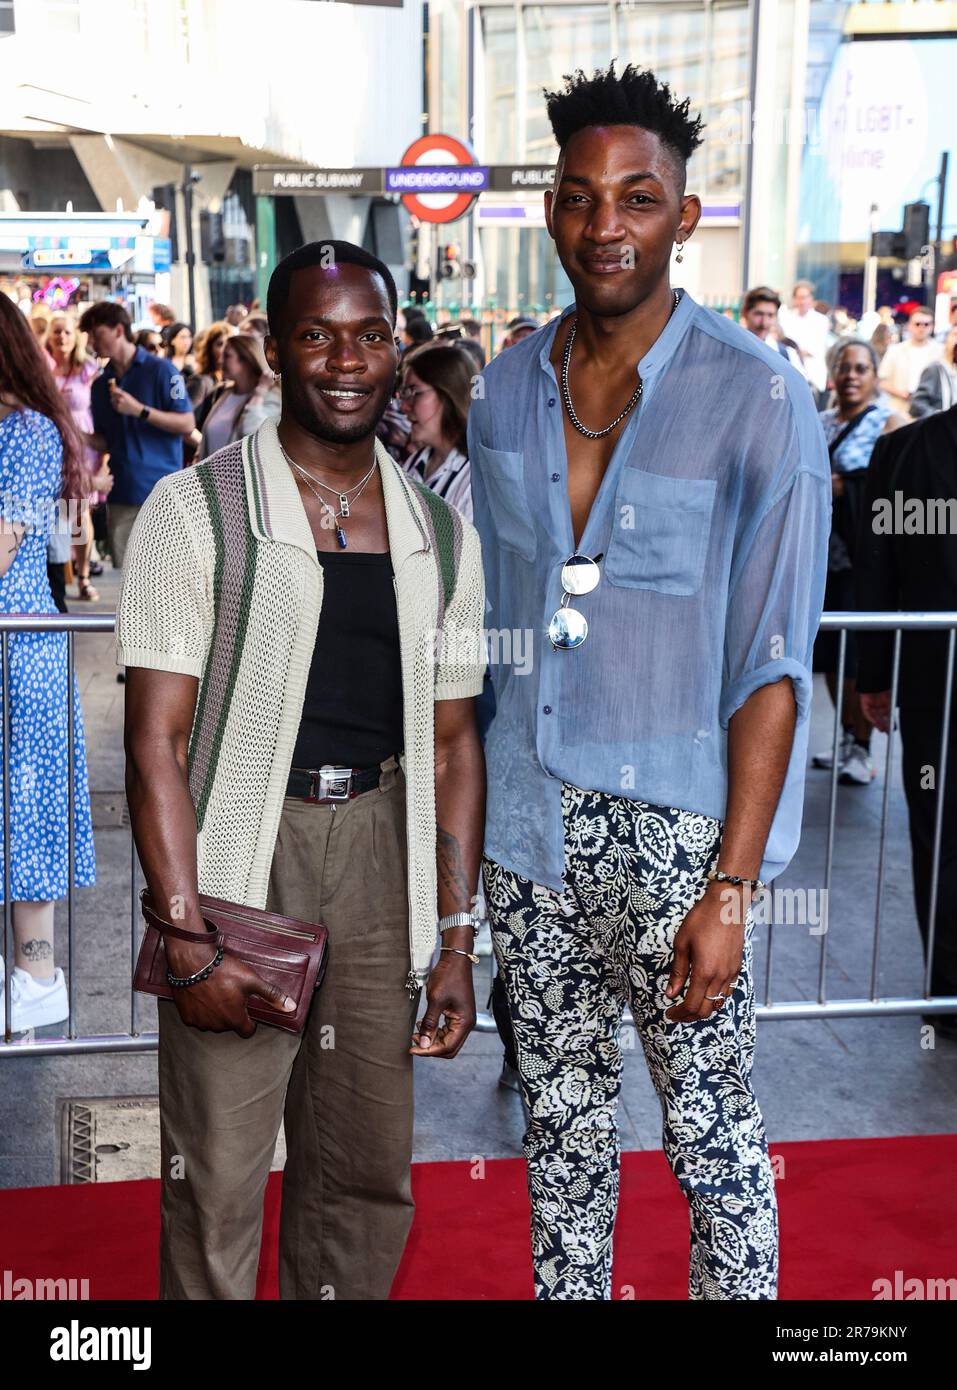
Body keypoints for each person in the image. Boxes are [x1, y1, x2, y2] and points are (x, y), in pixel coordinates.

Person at [469, 61, 830, 1302]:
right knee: (560, 1131)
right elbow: (498, 631)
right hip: (527, 832)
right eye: (579, 197)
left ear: (685, 212)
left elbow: (773, 660)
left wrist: (733, 884)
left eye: (636, 197)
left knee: (713, 1138)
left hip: (680, 834)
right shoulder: (505, 389)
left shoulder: (761, 399)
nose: (603, 225)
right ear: (552, 211)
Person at [115, 239, 487, 1300]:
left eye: (370, 335)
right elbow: (154, 741)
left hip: (380, 854)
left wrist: (456, 939)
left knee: (365, 1175)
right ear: (275, 349)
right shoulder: (197, 512)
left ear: (398, 350)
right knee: (220, 1178)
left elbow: (456, 741)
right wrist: (185, 930)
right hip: (240, 854)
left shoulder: (440, 534)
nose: (345, 359)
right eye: (316, 334)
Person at [0, 293, 96, 1031]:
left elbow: (3, 547)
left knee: (26, 811)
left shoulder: (28, 433)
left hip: (21, 649)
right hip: (19, 645)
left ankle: (36, 980)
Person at [855, 405, 957, 1041]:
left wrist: (875, 673)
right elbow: (877, 564)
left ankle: (948, 992)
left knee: (941, 835)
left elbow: (876, 570)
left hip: (930, 681)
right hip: (929, 682)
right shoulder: (901, 451)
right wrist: (874, 675)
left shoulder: (904, 450)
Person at [810, 339, 908, 783]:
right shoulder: (819, 421)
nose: (851, 375)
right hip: (821, 556)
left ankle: (861, 745)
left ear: (874, 374)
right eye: (844, 367)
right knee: (831, 655)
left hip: (862, 559)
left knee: (857, 655)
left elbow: (898, 489)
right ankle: (848, 737)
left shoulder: (891, 423)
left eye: (861, 368)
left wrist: (847, 489)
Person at [78, 301, 195, 573]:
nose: (92, 341)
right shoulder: (100, 384)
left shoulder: (161, 370)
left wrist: (139, 410)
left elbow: (186, 422)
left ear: (118, 330)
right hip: (121, 493)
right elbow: (108, 441)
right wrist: (78, 436)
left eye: (97, 333)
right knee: (127, 583)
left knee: (168, 578)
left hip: (162, 493)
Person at [47, 312, 112, 601]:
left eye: (66, 332)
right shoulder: (43, 368)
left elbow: (99, 410)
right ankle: (58, 572)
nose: (61, 337)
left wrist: (104, 454)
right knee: (56, 510)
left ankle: (84, 575)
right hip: (50, 444)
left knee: (80, 510)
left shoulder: (88, 369)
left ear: (76, 337)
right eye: (56, 332)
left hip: (83, 445)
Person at [398, 344, 473, 521]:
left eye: (414, 392)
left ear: (449, 393)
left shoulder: (475, 479)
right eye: (404, 393)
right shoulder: (415, 462)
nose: (404, 406)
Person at [197, 334, 280, 458]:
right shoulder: (225, 393)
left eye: (227, 356)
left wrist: (259, 394)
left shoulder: (270, 397)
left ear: (246, 360)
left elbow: (254, 434)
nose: (220, 361)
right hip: (210, 475)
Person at [878, 307, 941, 416]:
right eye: (917, 324)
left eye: (926, 324)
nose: (922, 328)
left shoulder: (941, 351)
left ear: (932, 327)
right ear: (909, 325)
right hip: (899, 411)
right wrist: (902, 393)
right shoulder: (895, 350)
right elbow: (881, 380)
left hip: (930, 413)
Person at [778, 279, 831, 395]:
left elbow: (816, 347)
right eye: (799, 297)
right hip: (790, 374)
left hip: (813, 376)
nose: (802, 301)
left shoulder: (821, 320)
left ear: (811, 298)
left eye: (805, 297)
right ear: (794, 299)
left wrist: (797, 351)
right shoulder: (786, 319)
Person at [741, 286, 806, 375]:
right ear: (745, 313)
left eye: (770, 315)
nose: (764, 323)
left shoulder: (788, 356)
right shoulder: (729, 351)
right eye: (759, 314)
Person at [187, 318, 231, 426]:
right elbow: (187, 425)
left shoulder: (229, 379)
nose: (225, 348)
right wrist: (205, 443)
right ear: (209, 348)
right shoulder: (200, 382)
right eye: (220, 344)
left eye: (229, 343)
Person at [910, 326, 957, 419]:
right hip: (941, 429)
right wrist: (940, 419)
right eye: (955, 335)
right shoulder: (935, 369)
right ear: (946, 340)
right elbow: (917, 404)